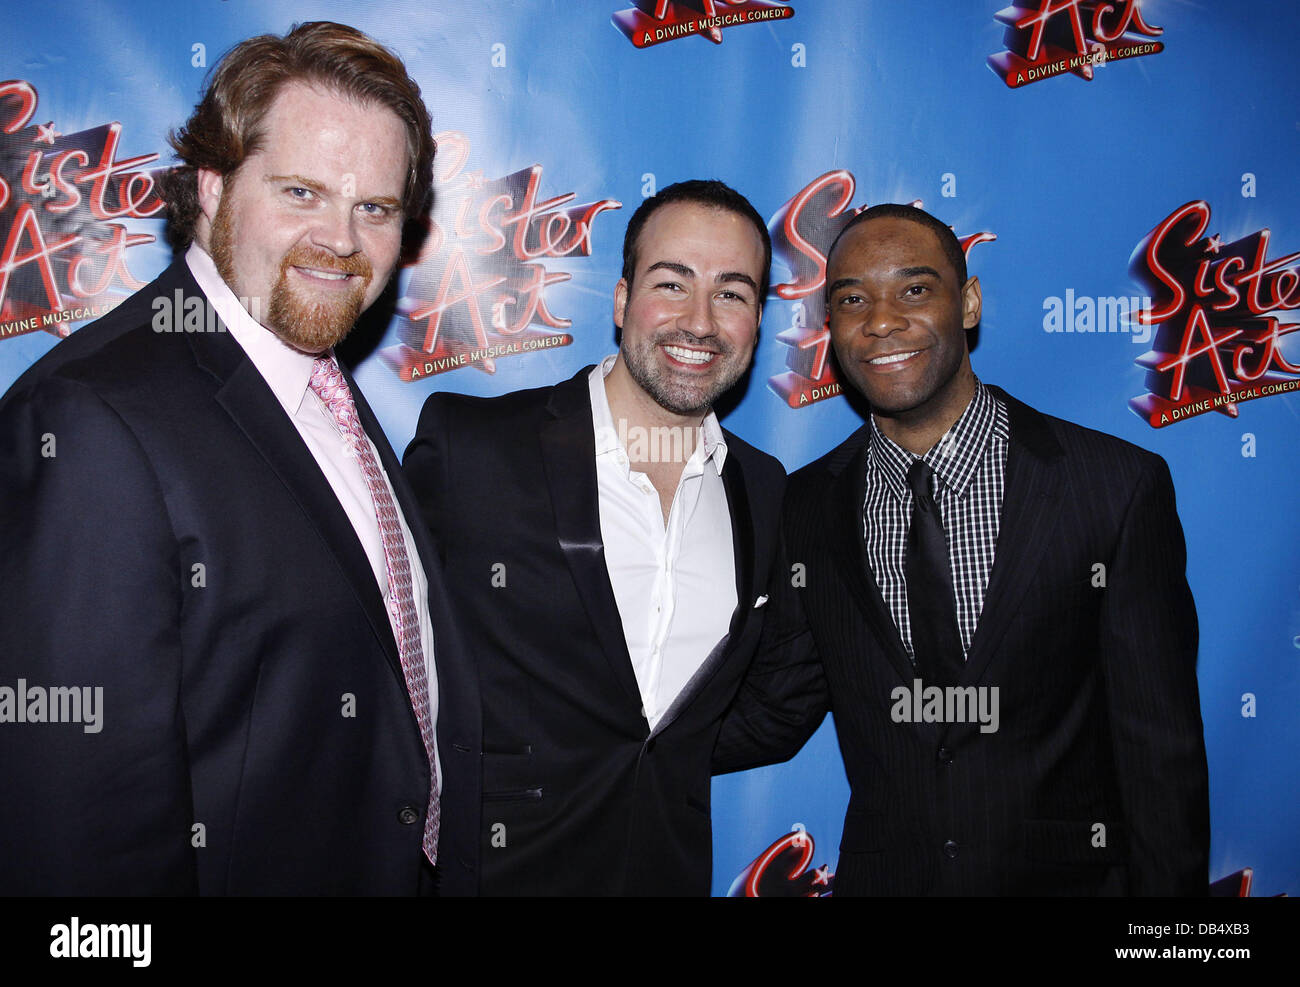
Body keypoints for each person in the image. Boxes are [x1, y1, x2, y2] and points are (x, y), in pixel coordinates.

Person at [0, 22, 480, 895]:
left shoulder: (307, 367)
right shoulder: (90, 416)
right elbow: (77, 828)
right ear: (214, 188)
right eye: (301, 191)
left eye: (374, 207)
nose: (340, 239)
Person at [714, 203, 1210, 895]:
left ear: (969, 302)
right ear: (830, 326)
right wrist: (605, 738)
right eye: (852, 299)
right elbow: (780, 707)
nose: (881, 320)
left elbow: (1160, 754)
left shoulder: (1113, 488)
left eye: (914, 290)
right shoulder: (803, 508)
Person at [403, 179, 785, 895]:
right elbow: (384, 665)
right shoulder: (473, 450)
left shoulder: (763, 491)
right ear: (620, 300)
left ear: (758, 319)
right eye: (672, 283)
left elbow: (717, 717)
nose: (699, 322)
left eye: (732, 293)